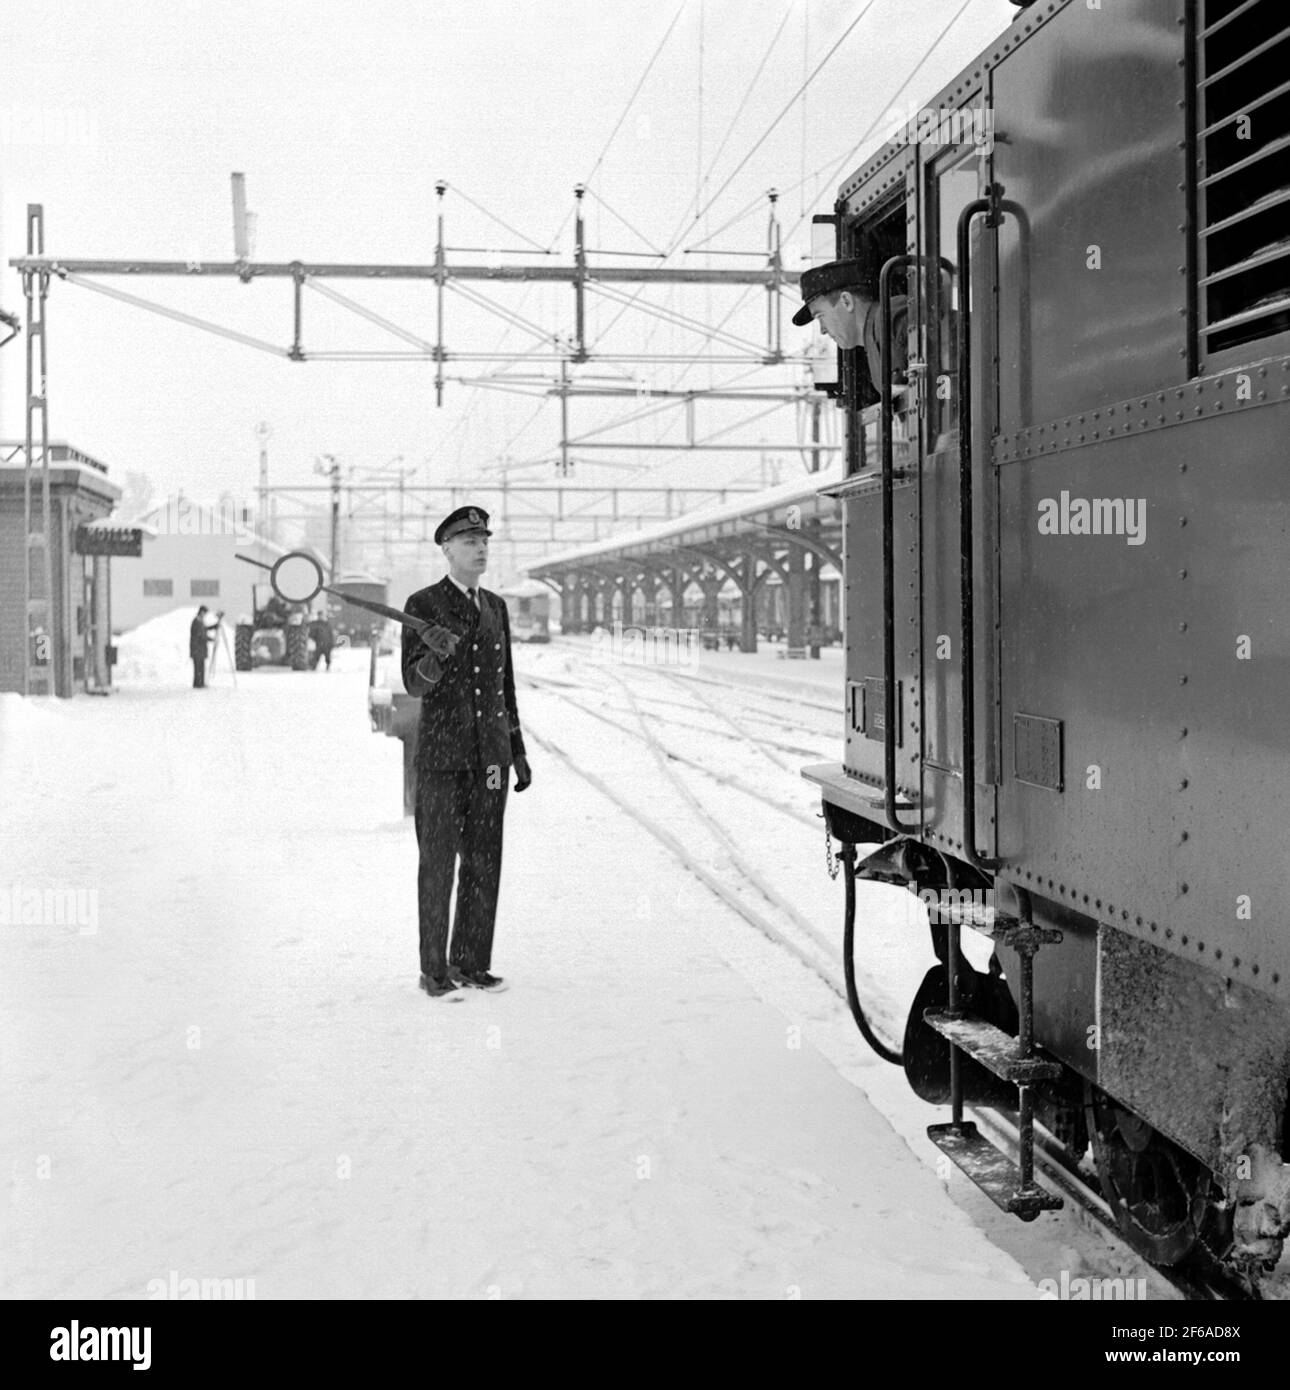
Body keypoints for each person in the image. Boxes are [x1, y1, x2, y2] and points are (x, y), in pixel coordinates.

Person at [401, 505, 531, 999]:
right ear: (447, 549)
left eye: (485, 541)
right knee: (437, 864)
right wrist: (434, 651)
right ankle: (434, 969)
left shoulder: (495, 607)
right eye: (470, 541)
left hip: (491, 764)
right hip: (441, 760)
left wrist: (515, 748)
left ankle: (472, 962)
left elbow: (505, 685)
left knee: (484, 861)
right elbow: (415, 685)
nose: (480, 549)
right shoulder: (423, 604)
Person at [792, 255, 908, 405]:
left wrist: (943, 396)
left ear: (846, 302)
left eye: (821, 316)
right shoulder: (876, 337)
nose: (822, 330)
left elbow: (943, 371)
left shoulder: (892, 316)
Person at [189, 605, 220, 688]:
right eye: (204, 613)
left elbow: (204, 629)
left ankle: (200, 683)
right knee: (198, 667)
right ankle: (198, 684)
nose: (205, 615)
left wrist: (214, 627)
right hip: (197, 649)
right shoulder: (196, 621)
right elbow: (201, 635)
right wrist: (212, 639)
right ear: (201, 612)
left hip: (200, 649)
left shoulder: (200, 621)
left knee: (201, 667)